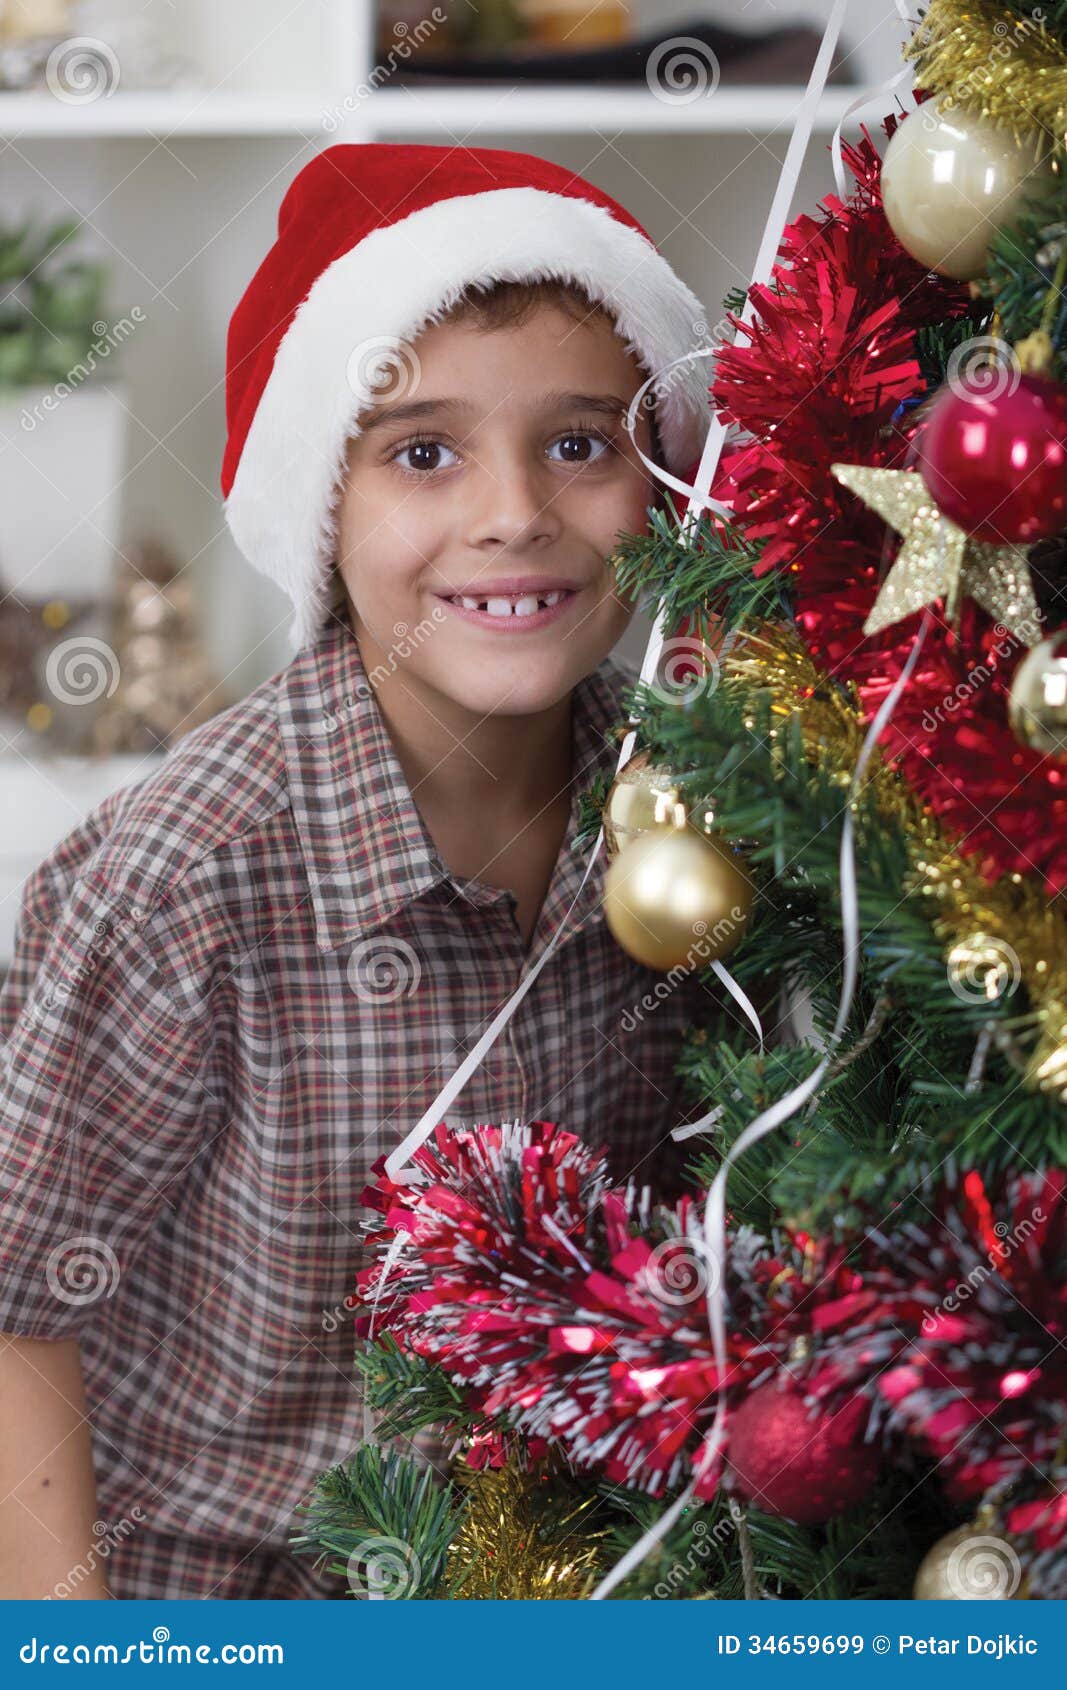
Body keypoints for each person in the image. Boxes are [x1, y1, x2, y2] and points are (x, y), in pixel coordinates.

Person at [0, 143, 714, 1599]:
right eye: (423, 450)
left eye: (579, 443)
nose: (513, 512)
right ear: (320, 506)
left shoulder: (690, 821)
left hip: (583, 1578)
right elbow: (16, 1299)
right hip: (225, 1594)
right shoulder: (189, 871)